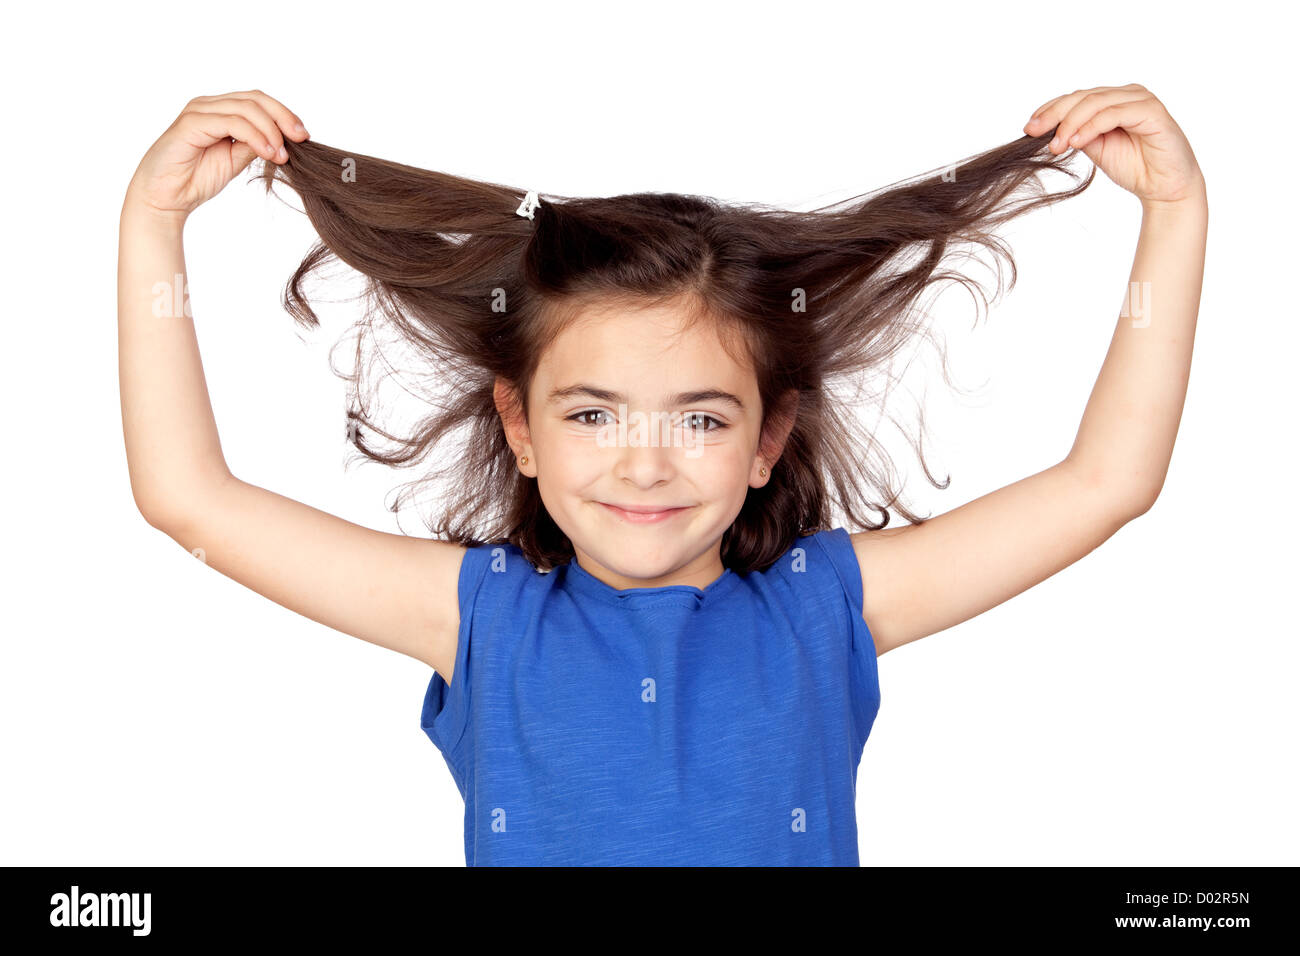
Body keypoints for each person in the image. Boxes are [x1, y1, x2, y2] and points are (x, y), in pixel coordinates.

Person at [118, 86, 1208, 866]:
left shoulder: (825, 607)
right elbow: (188, 498)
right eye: (592, 413)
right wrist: (153, 222)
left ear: (766, 440)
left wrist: (1173, 212)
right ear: (523, 427)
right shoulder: (480, 617)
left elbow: (1105, 481)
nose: (645, 460)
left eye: (700, 416)